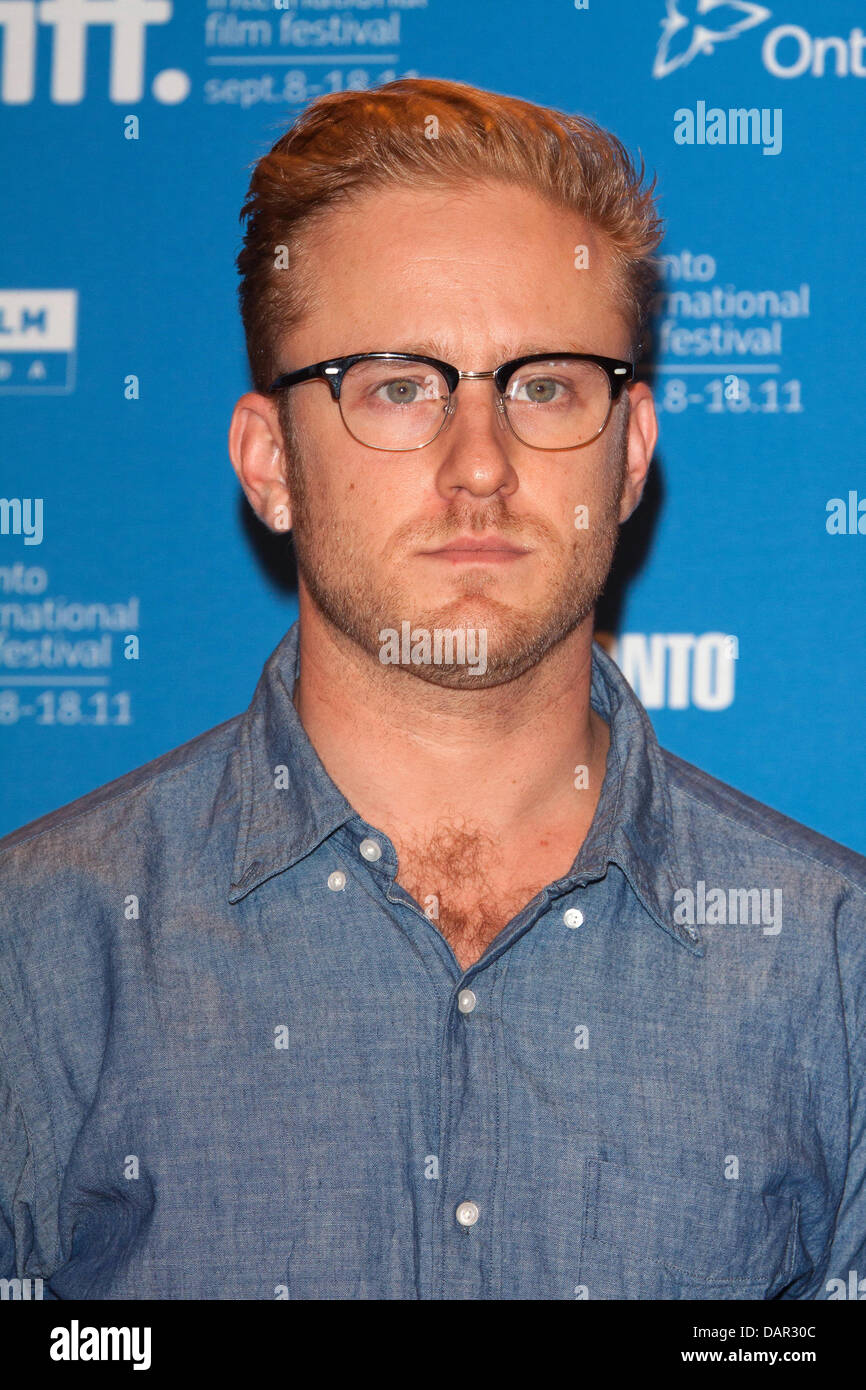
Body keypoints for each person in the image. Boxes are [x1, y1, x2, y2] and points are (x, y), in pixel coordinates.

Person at [1, 78, 863, 1301]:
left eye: (545, 383)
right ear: (269, 463)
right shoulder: (36, 951)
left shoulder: (836, 969)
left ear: (627, 456)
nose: (478, 466)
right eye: (398, 386)